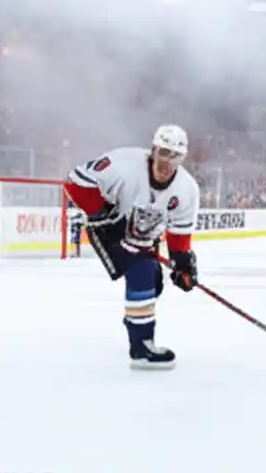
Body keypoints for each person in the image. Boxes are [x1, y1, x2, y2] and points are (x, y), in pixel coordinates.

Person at [63, 124, 199, 370]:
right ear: (154, 150)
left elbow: (179, 231)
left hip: (144, 240)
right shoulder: (123, 163)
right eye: (164, 153)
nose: (167, 161)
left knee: (154, 282)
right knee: (142, 272)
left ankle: (136, 319)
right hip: (108, 230)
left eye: (175, 156)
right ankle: (141, 345)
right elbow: (74, 182)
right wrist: (102, 214)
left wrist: (182, 262)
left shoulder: (187, 189)